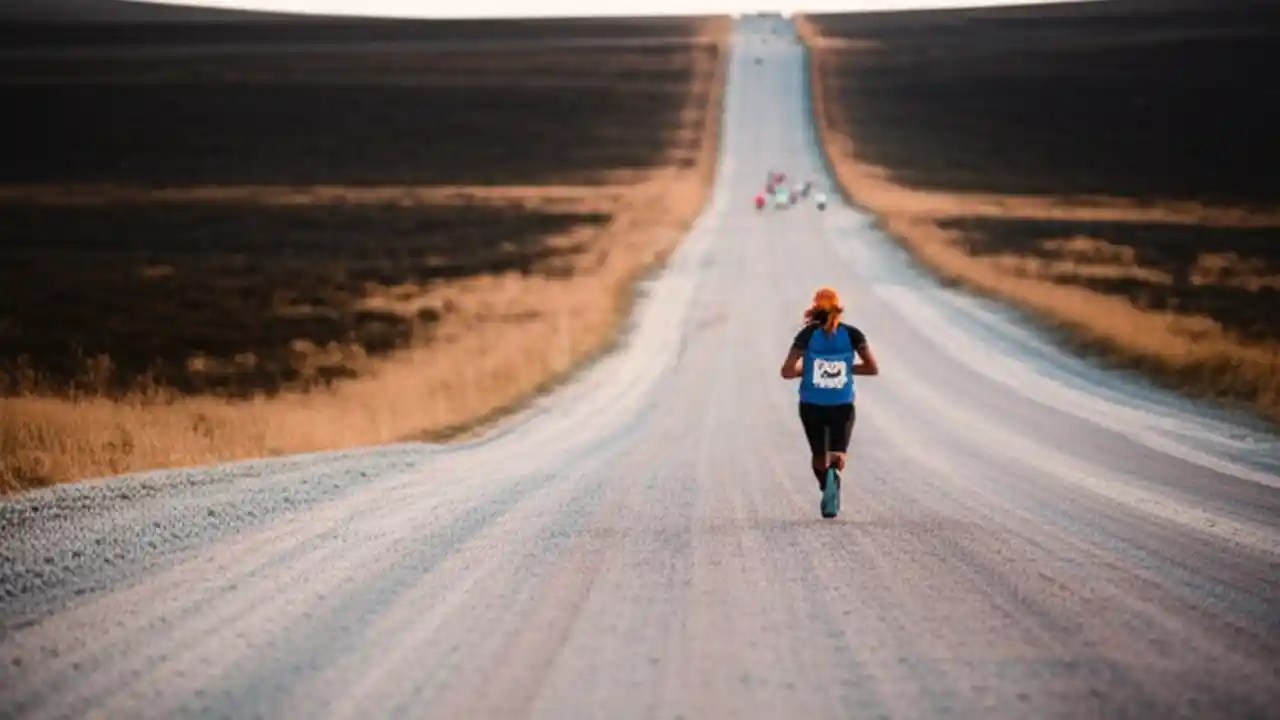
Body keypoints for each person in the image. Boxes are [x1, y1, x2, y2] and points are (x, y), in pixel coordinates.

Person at [779, 287, 878, 517]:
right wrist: (844, 367)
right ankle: (835, 471)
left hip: (811, 404)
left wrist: (807, 370)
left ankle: (826, 484)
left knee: (818, 454)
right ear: (838, 309)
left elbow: (786, 371)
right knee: (838, 453)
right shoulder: (853, 335)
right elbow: (872, 368)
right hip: (841, 403)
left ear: (813, 309)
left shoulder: (806, 336)